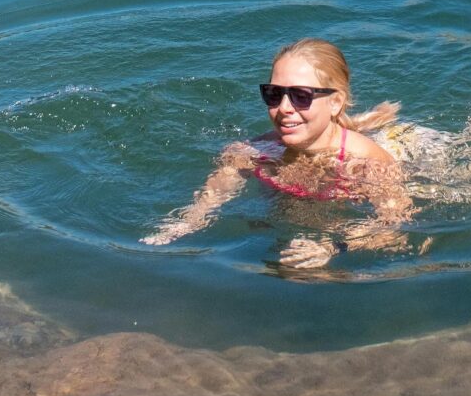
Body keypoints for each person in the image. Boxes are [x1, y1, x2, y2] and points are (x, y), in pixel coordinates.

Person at [142, 38, 413, 269]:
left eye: (301, 96)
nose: (284, 108)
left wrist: (335, 246)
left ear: (335, 102)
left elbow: (394, 225)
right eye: (274, 94)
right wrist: (186, 223)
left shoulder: (368, 162)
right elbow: (212, 196)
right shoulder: (253, 152)